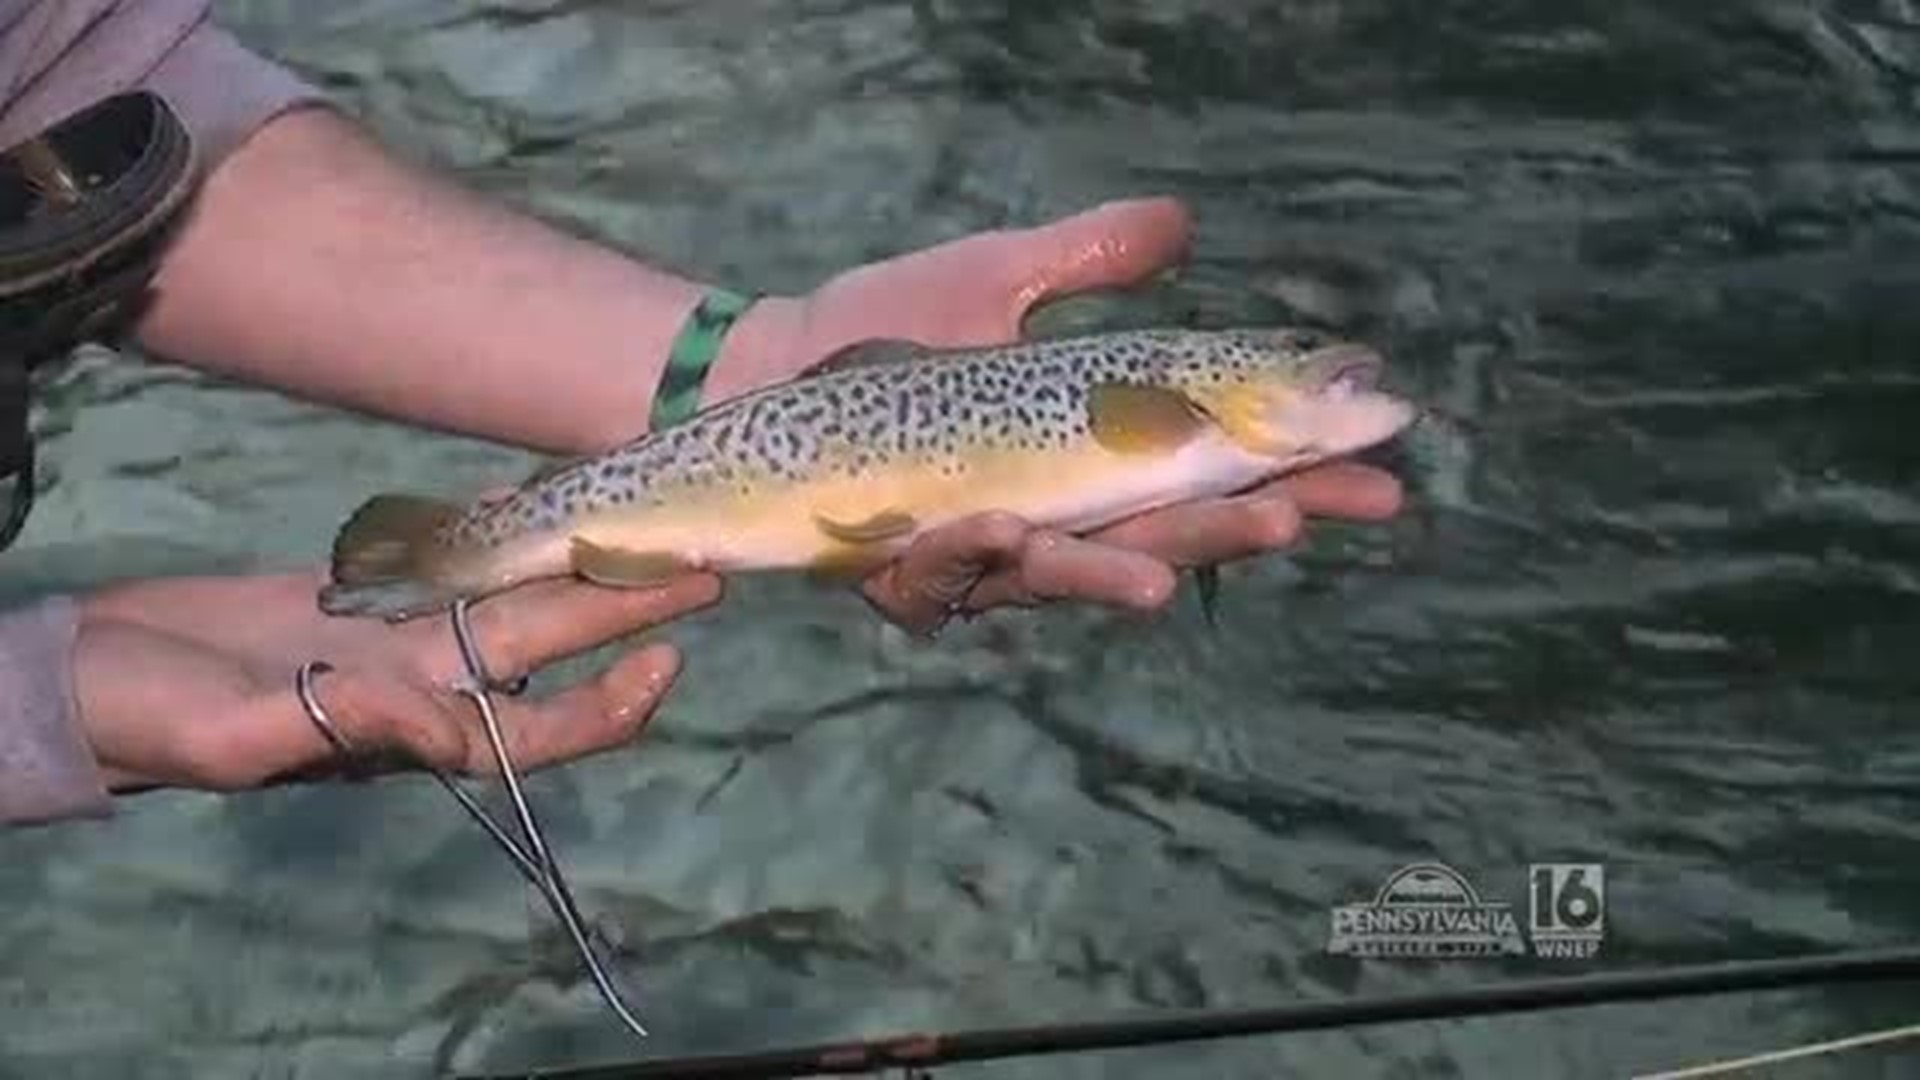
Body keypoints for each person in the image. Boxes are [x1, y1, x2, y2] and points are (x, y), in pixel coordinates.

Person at [0, 3, 1403, 828]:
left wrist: (741, 360)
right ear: (1221, 374)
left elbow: (88, 110)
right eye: (1297, 352)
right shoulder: (1170, 409)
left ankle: (482, 542)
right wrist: (49, 707)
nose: (1326, 364)